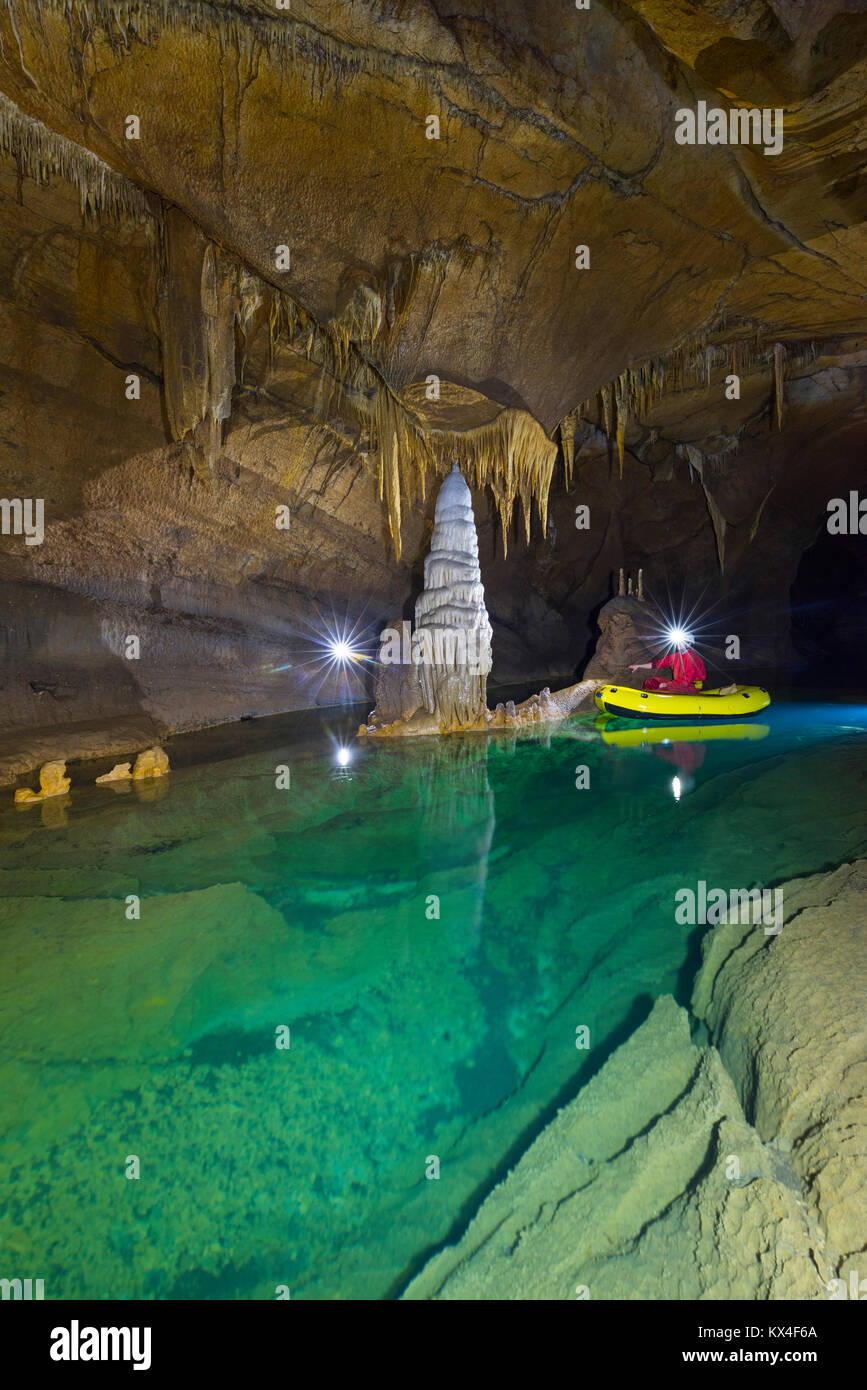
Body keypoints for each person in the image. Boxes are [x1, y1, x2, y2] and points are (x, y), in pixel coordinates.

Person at [629, 635, 707, 693]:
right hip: (679, 684)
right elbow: (657, 664)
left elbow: (686, 681)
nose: (679, 643)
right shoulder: (676, 656)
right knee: (651, 682)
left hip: (691, 687)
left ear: (689, 644)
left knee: (662, 689)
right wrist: (639, 666)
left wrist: (668, 685)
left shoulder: (692, 658)